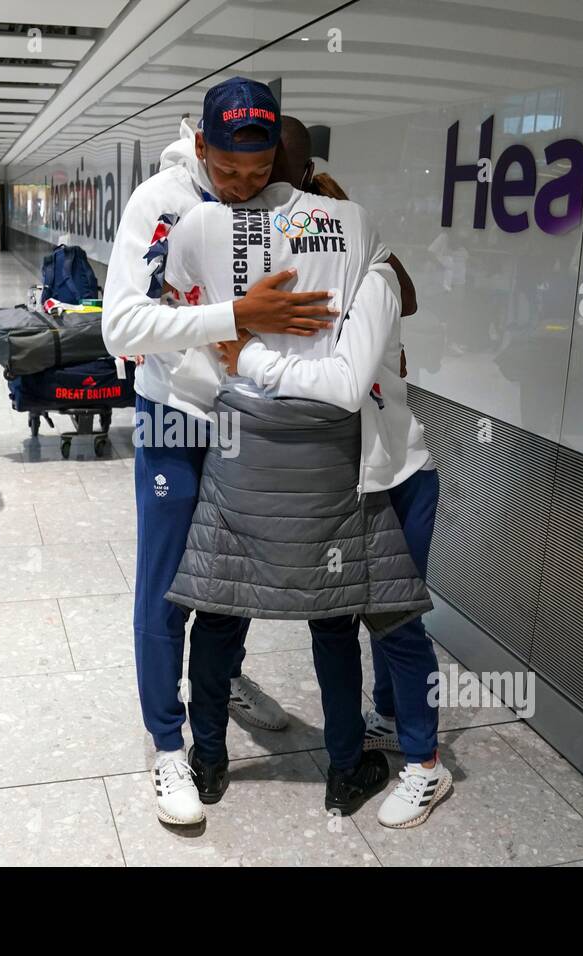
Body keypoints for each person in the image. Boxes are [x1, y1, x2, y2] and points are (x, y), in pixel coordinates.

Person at [177, 118, 449, 828]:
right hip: (335, 475)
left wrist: (247, 359)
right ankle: (369, 741)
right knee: (333, 627)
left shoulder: (374, 274)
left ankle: (421, 759)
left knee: (393, 626)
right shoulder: (282, 266)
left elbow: (343, 384)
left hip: (390, 474)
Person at [103, 77, 340, 826]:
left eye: (259, 171)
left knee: (231, 578)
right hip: (174, 416)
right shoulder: (159, 203)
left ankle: (222, 679)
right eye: (229, 173)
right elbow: (121, 327)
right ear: (201, 145)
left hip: (248, 418)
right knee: (168, 584)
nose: (243, 188)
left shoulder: (280, 205)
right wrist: (234, 315)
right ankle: (167, 746)